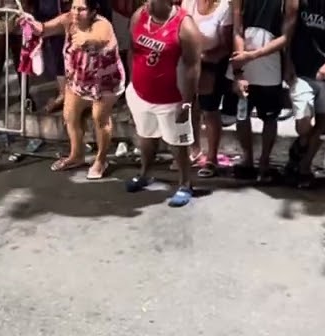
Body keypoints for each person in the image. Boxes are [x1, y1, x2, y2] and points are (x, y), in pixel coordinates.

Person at [31, 0, 127, 179]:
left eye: (81, 9)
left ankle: (101, 160)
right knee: (70, 115)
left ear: (92, 12)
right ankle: (76, 155)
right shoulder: (68, 19)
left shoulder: (102, 25)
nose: (76, 12)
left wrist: (86, 40)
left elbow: (100, 39)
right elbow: (43, 29)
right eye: (74, 7)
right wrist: (30, 23)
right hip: (78, 80)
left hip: (104, 83)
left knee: (100, 118)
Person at [126, 0, 204, 206]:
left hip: (171, 99)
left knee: (178, 145)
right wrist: (131, 84)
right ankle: (144, 174)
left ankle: (185, 184)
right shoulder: (139, 16)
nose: (148, 2)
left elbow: (192, 67)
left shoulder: (184, 25)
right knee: (145, 137)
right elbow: (132, 50)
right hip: (141, 94)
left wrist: (188, 103)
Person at [230, 0, 299, 182]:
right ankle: (247, 159)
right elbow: (237, 30)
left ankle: (265, 162)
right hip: (243, 62)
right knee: (242, 115)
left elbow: (286, 37)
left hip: (270, 67)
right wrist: (239, 66)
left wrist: (252, 55)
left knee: (270, 117)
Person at [286, 0, 325, 187]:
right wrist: (287, 61)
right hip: (302, 71)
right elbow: (289, 31)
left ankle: (304, 167)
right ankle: (301, 144)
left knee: (322, 125)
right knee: (303, 122)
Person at [184, 0, 234, 177]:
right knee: (189, 106)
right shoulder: (188, 2)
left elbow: (227, 45)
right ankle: (194, 149)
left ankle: (211, 157)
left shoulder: (225, 7)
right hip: (189, 62)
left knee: (209, 108)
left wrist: (203, 57)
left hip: (213, 63)